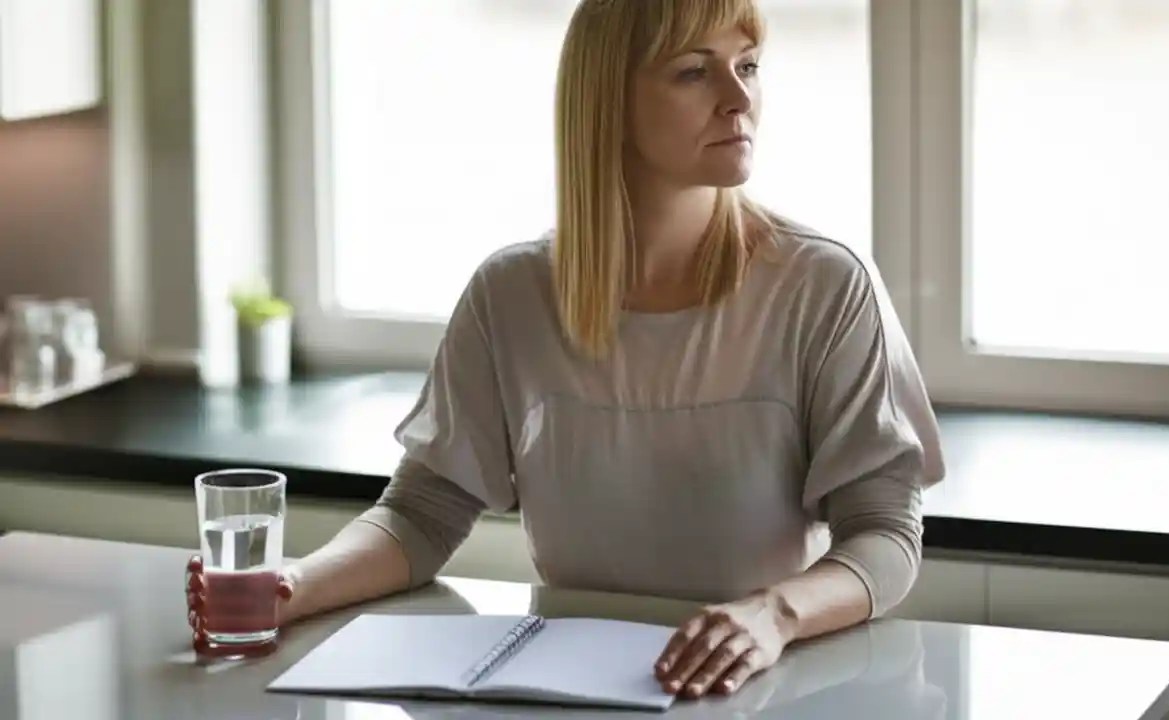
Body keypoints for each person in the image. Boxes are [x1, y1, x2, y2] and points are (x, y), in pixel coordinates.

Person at [186, 0, 944, 701]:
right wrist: (293, 584)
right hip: (570, 701)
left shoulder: (822, 285)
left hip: (754, 697)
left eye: (746, 65)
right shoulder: (509, 295)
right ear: (608, 100)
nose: (739, 98)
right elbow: (422, 514)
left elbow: (885, 535)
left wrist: (772, 615)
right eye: (693, 70)